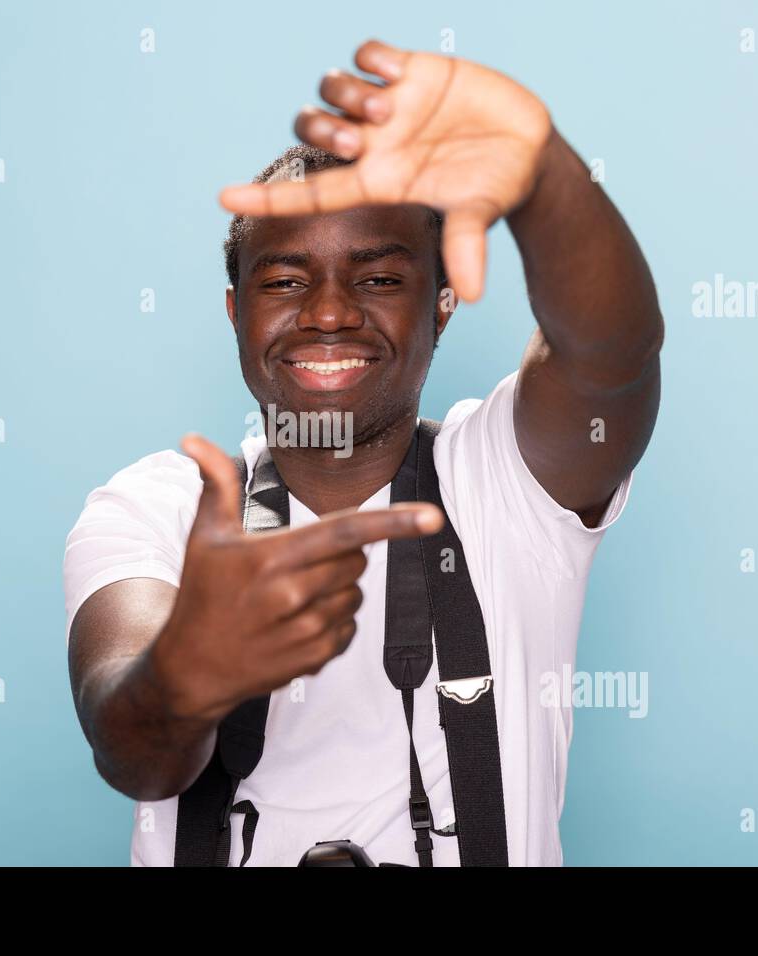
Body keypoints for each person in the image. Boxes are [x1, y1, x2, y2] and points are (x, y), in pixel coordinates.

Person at [64, 39, 663, 866]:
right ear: (235, 311)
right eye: (284, 281)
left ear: (443, 303)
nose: (330, 313)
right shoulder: (160, 508)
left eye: (379, 279)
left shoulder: (503, 483)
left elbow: (611, 362)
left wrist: (545, 179)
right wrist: (185, 674)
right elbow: (131, 749)